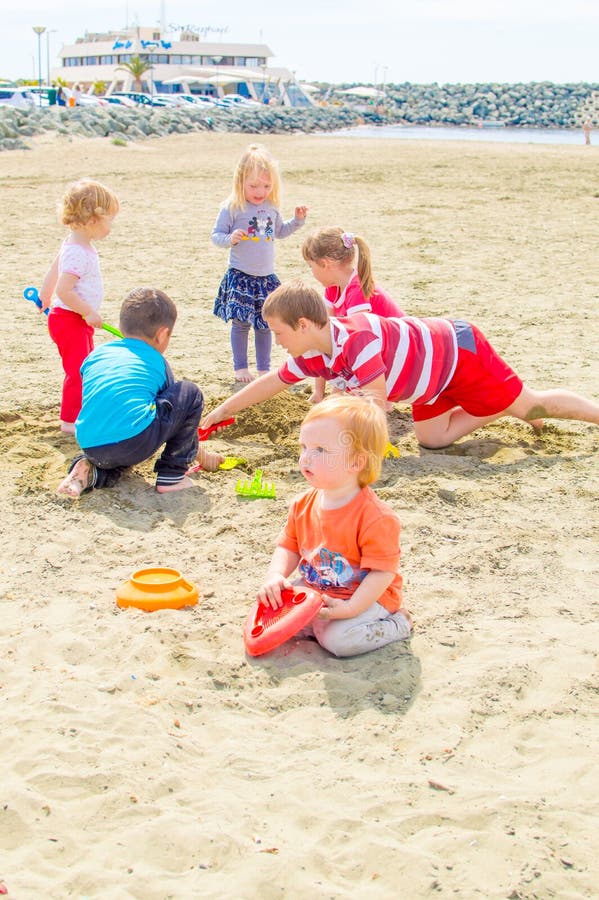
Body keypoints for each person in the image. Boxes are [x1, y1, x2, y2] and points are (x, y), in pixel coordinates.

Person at [201, 280, 599, 449]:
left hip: (460, 356)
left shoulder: (357, 340)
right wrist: (220, 411)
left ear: (303, 325)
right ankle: (496, 407)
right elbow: (272, 382)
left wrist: (357, 453)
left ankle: (539, 408)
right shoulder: (313, 354)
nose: (279, 341)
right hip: (431, 383)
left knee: (533, 406)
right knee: (431, 440)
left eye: (280, 332)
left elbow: (376, 403)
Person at [256, 394, 412, 657]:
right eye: (303, 447)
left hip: (365, 596)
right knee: (274, 617)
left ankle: (399, 624)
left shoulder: (376, 517)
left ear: (356, 462)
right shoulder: (302, 504)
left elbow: (382, 573)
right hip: (318, 586)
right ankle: (317, 625)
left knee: (338, 641)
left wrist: (351, 608)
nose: (306, 458)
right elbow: (288, 546)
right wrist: (275, 576)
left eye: (320, 450)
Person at [56, 287, 223, 498]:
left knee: (119, 458)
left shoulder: (97, 355)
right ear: (162, 334)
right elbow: (176, 421)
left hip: (91, 443)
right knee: (189, 392)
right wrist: (200, 455)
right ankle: (172, 476)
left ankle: (90, 471)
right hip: (133, 441)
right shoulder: (157, 362)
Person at [211, 142, 308, 383]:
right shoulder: (232, 207)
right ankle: (241, 368)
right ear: (240, 181)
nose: (260, 191)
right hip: (240, 274)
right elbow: (216, 236)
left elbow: (280, 232)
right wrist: (230, 239)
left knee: (265, 323)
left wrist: (297, 221)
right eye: (253, 185)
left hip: (266, 277)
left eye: (266, 186)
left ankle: (264, 368)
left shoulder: (271, 207)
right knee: (241, 323)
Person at [39, 179, 120, 433]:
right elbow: (65, 289)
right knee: (79, 371)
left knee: (83, 366)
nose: (111, 226)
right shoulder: (79, 252)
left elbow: (56, 266)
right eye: (110, 220)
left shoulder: (74, 244)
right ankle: (70, 421)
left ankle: (79, 413)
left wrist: (44, 293)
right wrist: (87, 311)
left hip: (70, 318)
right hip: (71, 319)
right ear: (93, 219)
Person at [302, 226, 406, 402]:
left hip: (399, 358)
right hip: (377, 354)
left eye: (311, 266)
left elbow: (358, 344)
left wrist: (337, 392)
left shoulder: (356, 290)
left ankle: (375, 396)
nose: (311, 273)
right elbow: (325, 335)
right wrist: (318, 392)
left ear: (325, 264)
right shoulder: (333, 288)